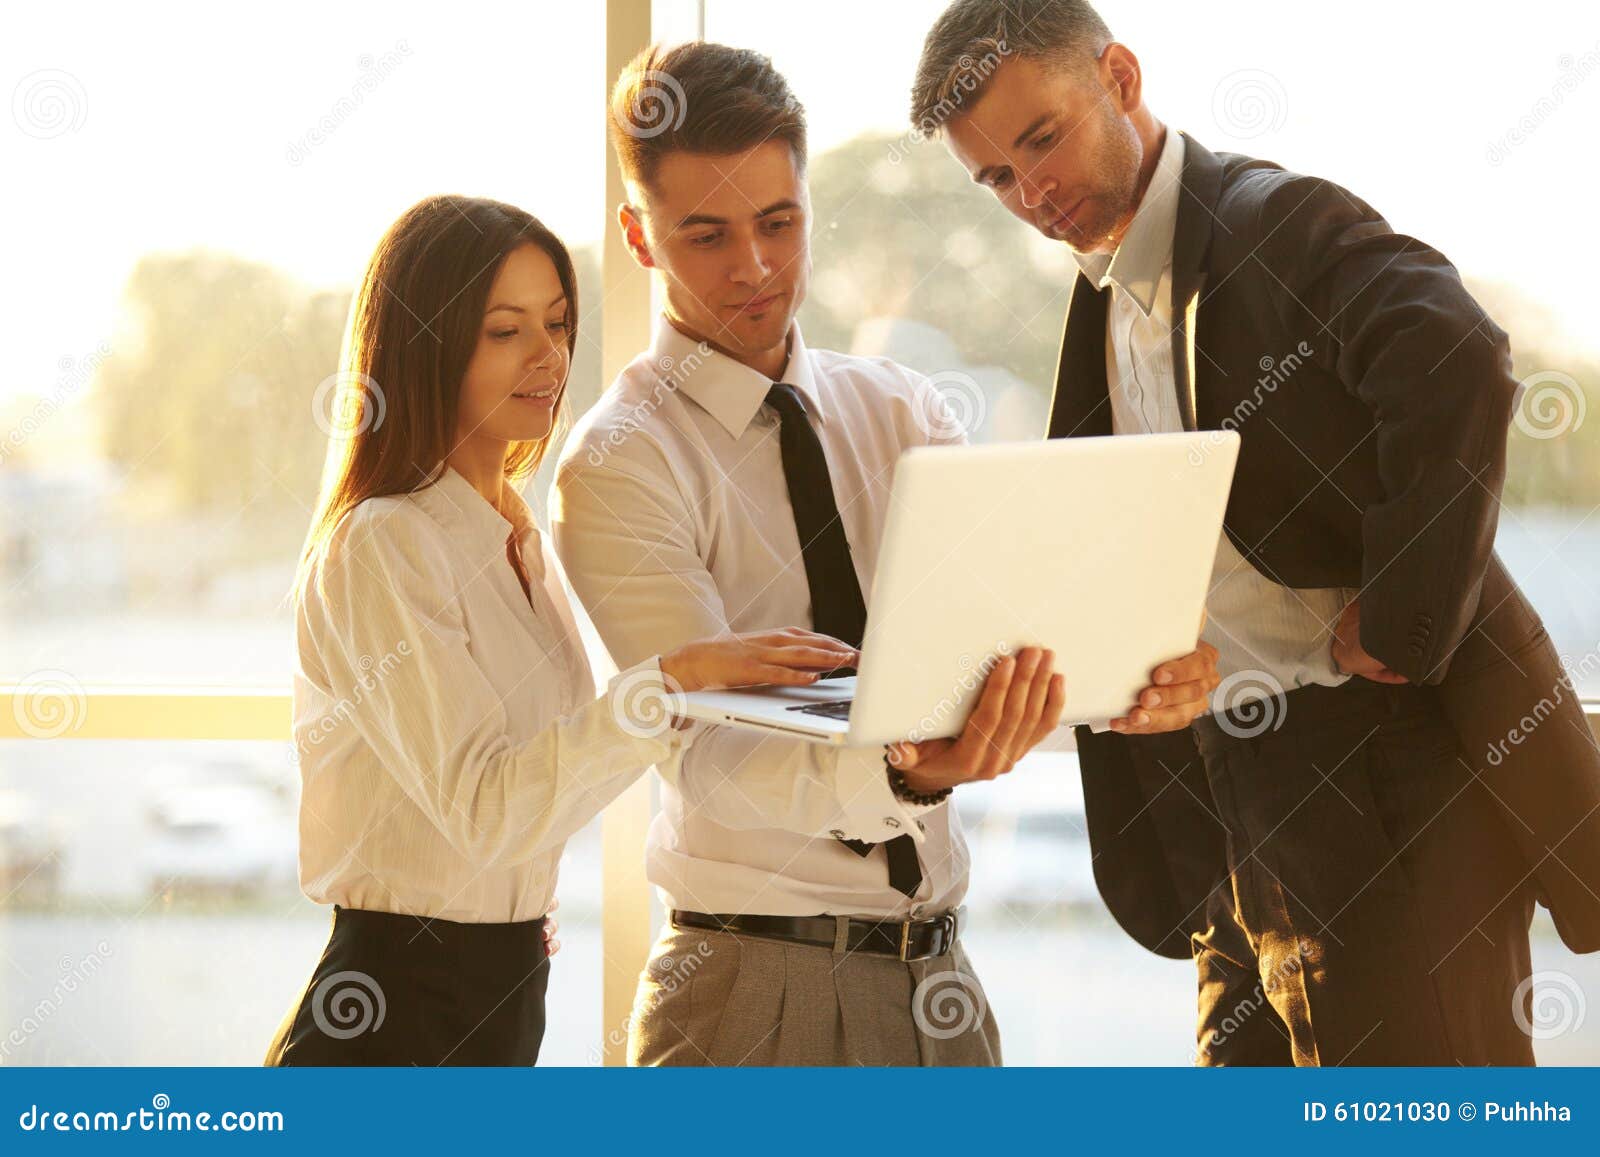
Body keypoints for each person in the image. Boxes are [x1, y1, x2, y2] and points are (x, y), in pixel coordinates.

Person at [912, 0, 1600, 1064]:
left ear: (1121, 77)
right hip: (1235, 804)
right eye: (996, 177)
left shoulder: (1269, 218)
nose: (1030, 191)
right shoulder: (1105, 303)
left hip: (1383, 777)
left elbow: (1456, 351)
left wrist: (1402, 607)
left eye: (1040, 138)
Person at [551, 41, 1220, 1067]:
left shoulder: (898, 407)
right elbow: (711, 758)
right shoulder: (617, 463)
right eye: (706, 236)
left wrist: (1131, 674)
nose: (756, 267)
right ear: (640, 238)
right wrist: (909, 772)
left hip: (938, 981)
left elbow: (1005, 644)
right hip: (746, 996)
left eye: (779, 222)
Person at [265, 194, 857, 1066]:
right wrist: (675, 680)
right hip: (396, 1014)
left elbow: (543, 783)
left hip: (503, 995)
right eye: (505, 331)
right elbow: (487, 813)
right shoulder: (383, 541)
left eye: (557, 322)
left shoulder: (513, 534)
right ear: (429, 343)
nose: (549, 357)